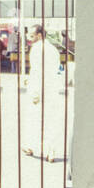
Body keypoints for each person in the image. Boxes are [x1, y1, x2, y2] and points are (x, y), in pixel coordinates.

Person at [21, 24, 62, 162]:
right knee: (51, 120)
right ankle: (51, 151)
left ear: (39, 35)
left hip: (38, 89)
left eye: (31, 35)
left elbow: (37, 71)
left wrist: (35, 91)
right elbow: (57, 70)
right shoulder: (53, 49)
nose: (29, 38)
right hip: (52, 89)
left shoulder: (37, 49)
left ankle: (31, 146)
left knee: (34, 119)